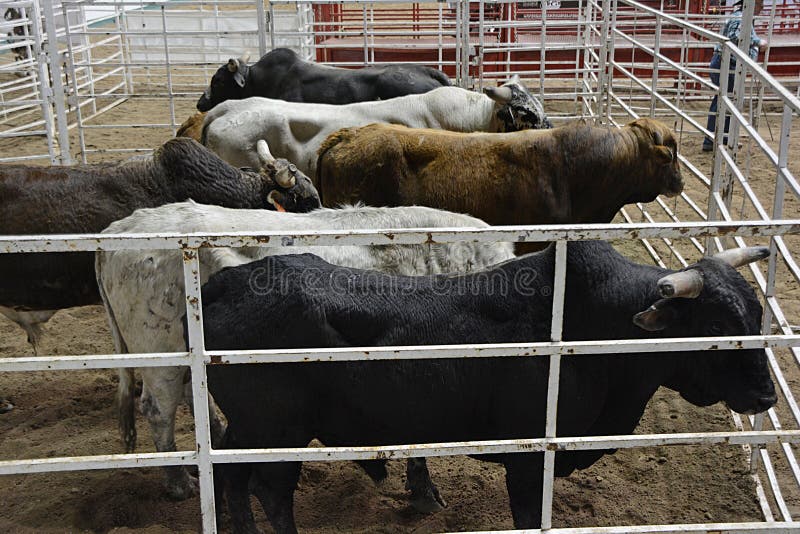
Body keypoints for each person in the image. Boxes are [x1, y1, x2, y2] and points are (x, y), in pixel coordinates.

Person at [702, 0, 768, 152]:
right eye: (760, 6)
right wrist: (758, 42)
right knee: (725, 100)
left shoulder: (740, 17)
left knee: (724, 100)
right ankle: (715, 138)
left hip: (726, 62)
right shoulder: (741, 18)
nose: (761, 9)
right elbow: (734, 36)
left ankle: (719, 137)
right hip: (727, 64)